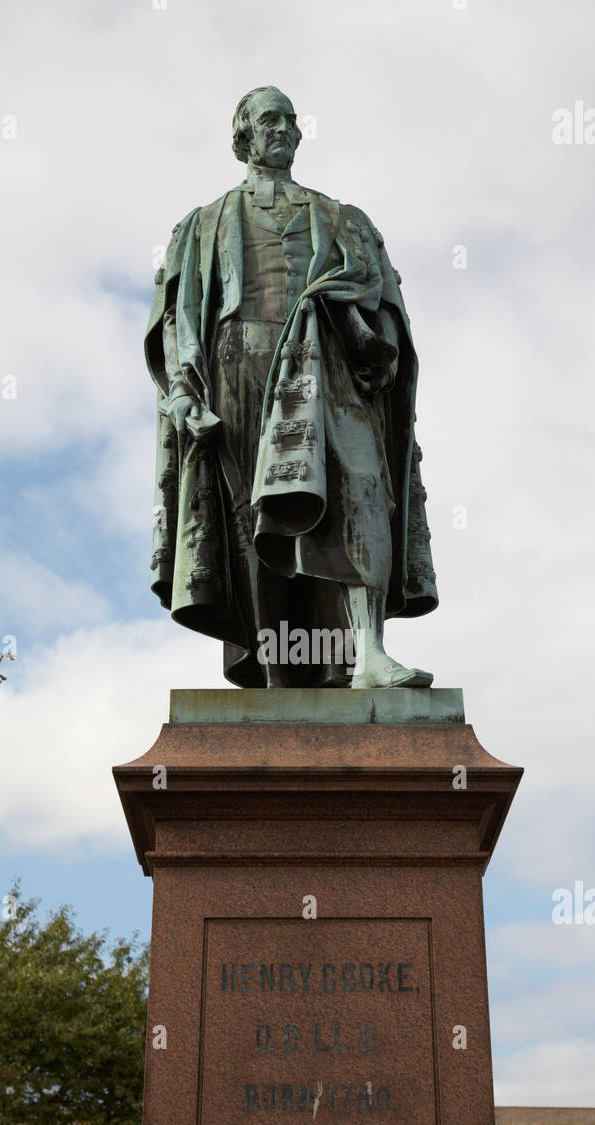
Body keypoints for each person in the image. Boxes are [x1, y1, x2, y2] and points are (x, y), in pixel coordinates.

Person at [145, 86, 437, 689]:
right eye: (267, 120)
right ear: (243, 136)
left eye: (289, 120)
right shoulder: (203, 223)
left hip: (326, 362)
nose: (281, 129)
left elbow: (382, 298)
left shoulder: (342, 218)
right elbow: (176, 317)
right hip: (237, 366)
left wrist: (376, 346)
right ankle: (282, 673)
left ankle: (367, 655)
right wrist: (181, 391)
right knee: (258, 518)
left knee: (361, 489)